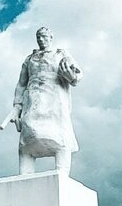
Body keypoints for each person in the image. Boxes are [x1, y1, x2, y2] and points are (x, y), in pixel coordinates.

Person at [5, 26, 82, 175]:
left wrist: (72, 76)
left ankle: (61, 172)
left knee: (60, 138)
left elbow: (77, 75)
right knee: (28, 138)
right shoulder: (30, 59)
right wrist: (17, 106)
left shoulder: (61, 55)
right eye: (38, 37)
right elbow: (21, 83)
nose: (41, 40)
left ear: (51, 38)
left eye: (44, 36)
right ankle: (25, 174)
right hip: (33, 100)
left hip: (55, 100)